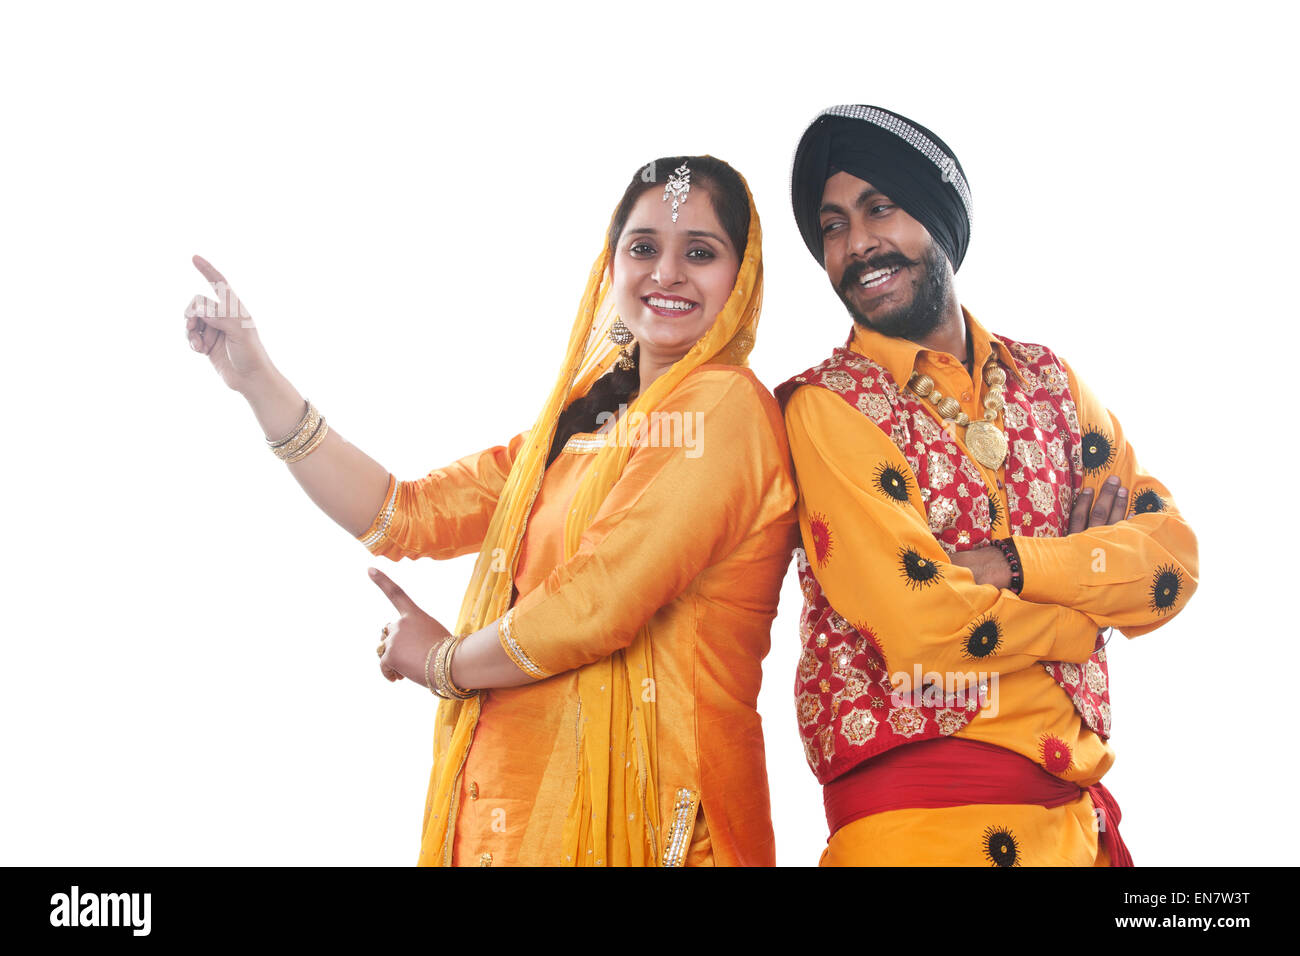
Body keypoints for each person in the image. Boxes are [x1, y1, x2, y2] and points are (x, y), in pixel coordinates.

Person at [183, 155, 798, 866]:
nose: (666, 273)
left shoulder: (723, 410)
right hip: (526, 820)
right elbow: (403, 513)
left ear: (741, 273)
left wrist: (445, 662)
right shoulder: (578, 431)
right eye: (643, 247)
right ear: (611, 263)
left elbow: (600, 601)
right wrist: (258, 379)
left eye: (700, 251)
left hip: (660, 827)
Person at [777, 105, 1199, 866]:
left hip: (1075, 831)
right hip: (918, 833)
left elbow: (1169, 566)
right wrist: (1083, 617)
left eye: (881, 207)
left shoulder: (1052, 384)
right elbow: (923, 632)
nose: (859, 243)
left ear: (938, 217)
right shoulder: (826, 407)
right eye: (833, 224)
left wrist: (1012, 564)